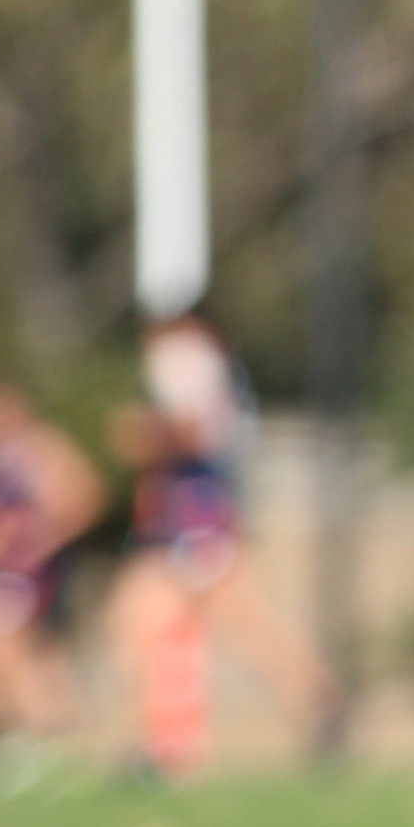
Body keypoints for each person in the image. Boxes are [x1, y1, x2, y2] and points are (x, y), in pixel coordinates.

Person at [110, 319, 327, 776]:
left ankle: (317, 702)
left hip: (196, 522)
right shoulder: (195, 359)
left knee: (237, 627)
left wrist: (148, 435)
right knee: (146, 625)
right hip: (184, 521)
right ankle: (159, 741)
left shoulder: (185, 357)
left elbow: (192, 432)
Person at [0, 379, 102, 767]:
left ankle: (43, 738)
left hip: (24, 572)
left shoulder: (38, 450)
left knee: (9, 651)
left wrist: (41, 540)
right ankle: (33, 738)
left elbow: (84, 497)